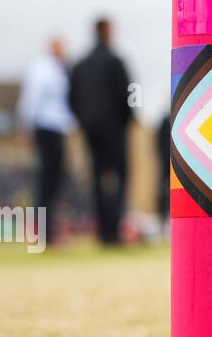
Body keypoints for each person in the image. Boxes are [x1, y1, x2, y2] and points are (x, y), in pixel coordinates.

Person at [70, 18, 133, 245]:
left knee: (97, 179)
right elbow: (129, 93)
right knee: (119, 177)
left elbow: (72, 97)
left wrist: (83, 121)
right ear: (107, 32)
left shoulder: (81, 64)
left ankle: (102, 232)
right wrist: (127, 121)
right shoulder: (115, 61)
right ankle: (114, 230)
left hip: (91, 130)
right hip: (114, 129)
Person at [17, 39, 77, 245]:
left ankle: (49, 231)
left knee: (55, 182)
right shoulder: (42, 69)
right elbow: (31, 98)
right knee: (46, 182)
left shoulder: (60, 71)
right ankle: (43, 233)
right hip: (45, 128)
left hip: (56, 129)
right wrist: (27, 126)